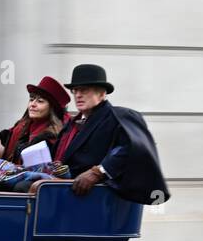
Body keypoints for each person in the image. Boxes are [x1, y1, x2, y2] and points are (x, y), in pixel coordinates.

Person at [55, 63, 169, 204]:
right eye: (75, 90)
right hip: (68, 195)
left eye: (84, 90)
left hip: (100, 201)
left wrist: (98, 172)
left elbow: (132, 148)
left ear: (102, 93)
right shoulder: (71, 125)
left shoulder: (121, 116)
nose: (78, 95)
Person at [0, 75, 70, 173]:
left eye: (40, 101)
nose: (32, 104)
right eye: (31, 99)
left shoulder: (53, 137)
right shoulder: (21, 128)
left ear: (51, 109)